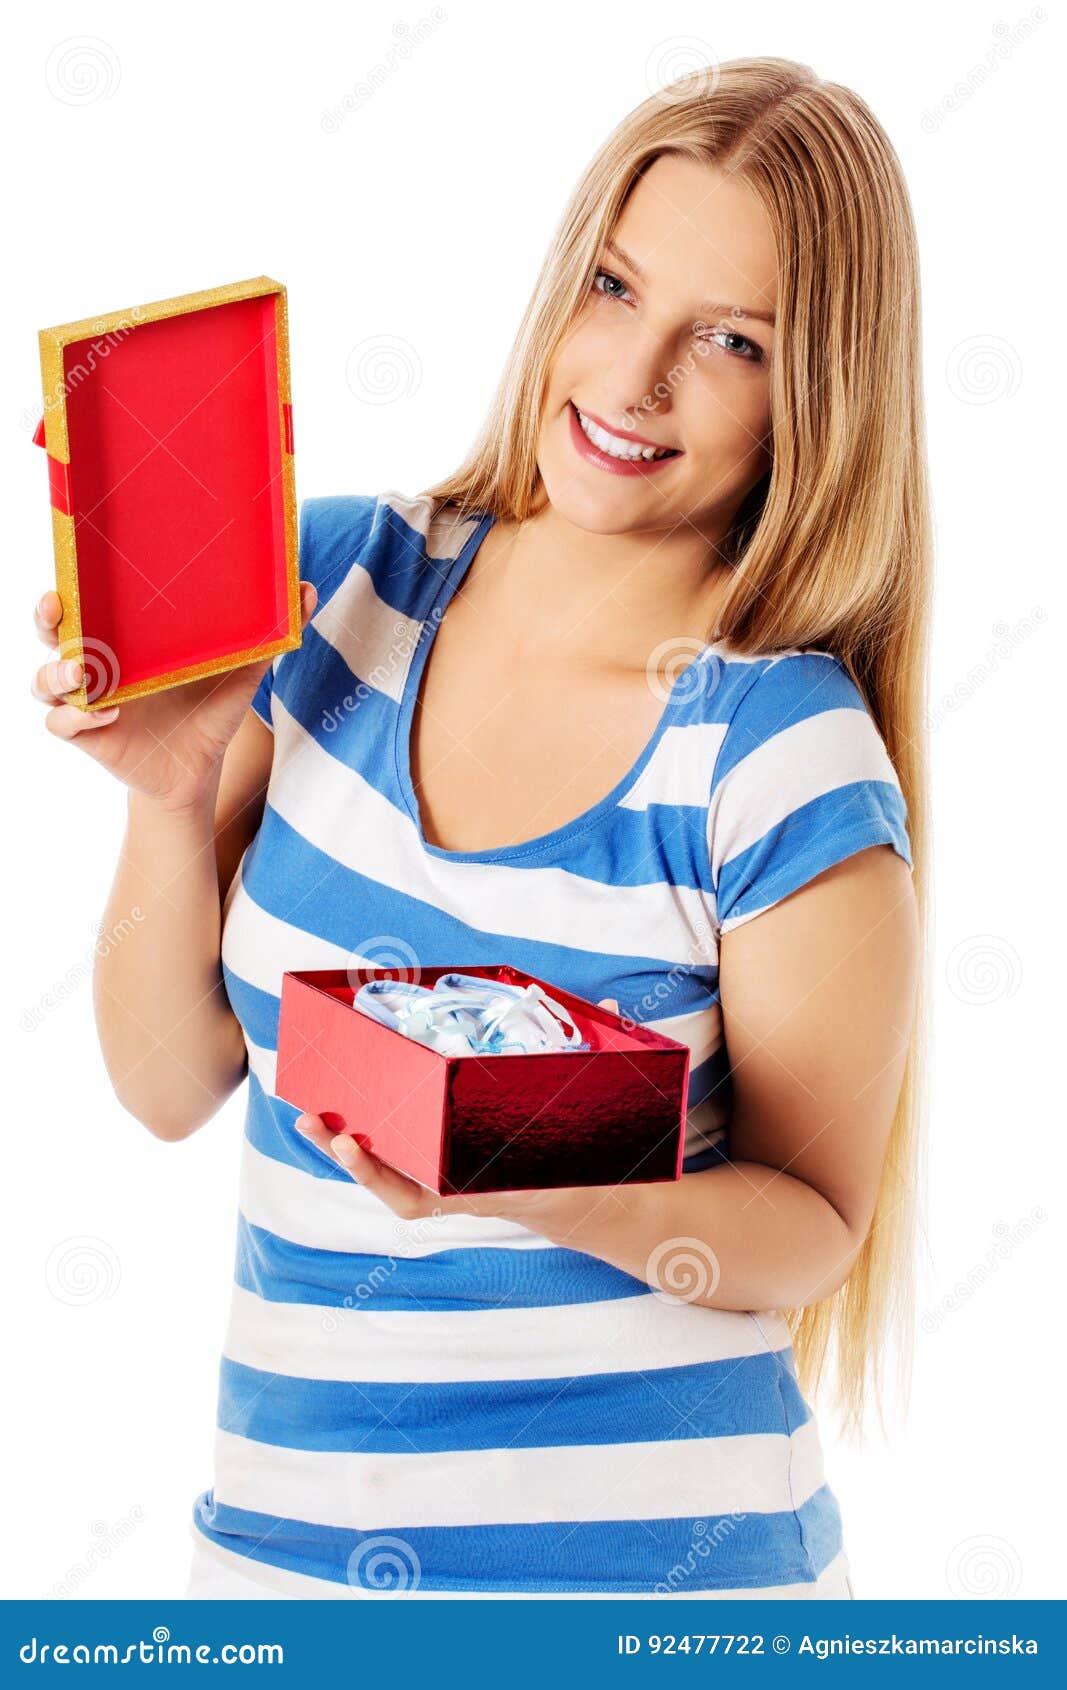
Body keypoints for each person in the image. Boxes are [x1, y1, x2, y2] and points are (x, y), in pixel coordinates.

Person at [32, 55, 927, 1599]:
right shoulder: (338, 588)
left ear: (816, 392)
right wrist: (172, 802)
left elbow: (814, 1226)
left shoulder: (775, 749)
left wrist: (516, 1179)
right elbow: (169, 1087)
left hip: (662, 1600)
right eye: (614, 286)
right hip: (282, 1571)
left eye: (729, 341)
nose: (633, 379)